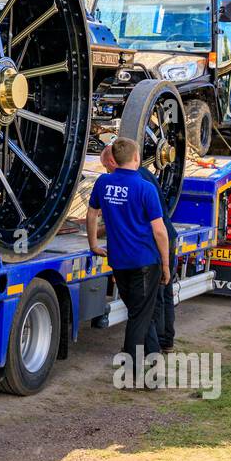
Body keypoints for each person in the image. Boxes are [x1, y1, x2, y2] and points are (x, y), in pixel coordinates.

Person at [85, 138, 171, 386]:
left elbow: (92, 214)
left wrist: (92, 244)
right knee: (139, 318)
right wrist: (165, 265)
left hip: (119, 261)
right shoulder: (145, 188)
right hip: (145, 261)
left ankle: (155, 372)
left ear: (114, 159)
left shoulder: (103, 183)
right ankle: (133, 375)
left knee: (141, 314)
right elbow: (160, 231)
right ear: (136, 159)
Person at [101, 143, 179, 352]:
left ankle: (161, 342)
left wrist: (163, 264)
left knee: (157, 298)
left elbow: (149, 225)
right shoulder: (142, 177)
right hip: (154, 242)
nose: (107, 172)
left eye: (107, 167)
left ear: (113, 160)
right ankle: (160, 344)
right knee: (151, 304)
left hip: (156, 243)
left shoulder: (135, 182)